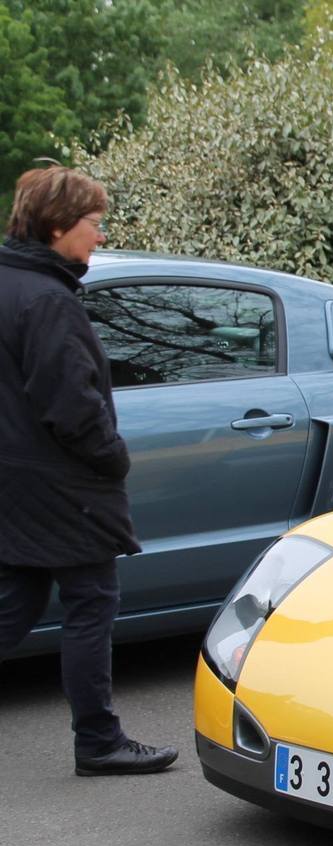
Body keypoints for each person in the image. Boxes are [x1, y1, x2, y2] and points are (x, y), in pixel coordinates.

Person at [0, 165, 177, 775]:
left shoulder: (8, 284)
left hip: (13, 482)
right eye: (93, 224)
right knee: (90, 601)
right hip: (62, 485)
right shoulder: (48, 300)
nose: (99, 237)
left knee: (15, 602)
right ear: (56, 228)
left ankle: (99, 738)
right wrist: (114, 457)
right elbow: (71, 407)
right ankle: (99, 741)